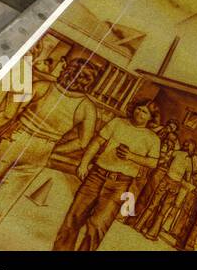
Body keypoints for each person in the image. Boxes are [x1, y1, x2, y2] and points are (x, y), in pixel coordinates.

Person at [0, 59, 101, 250]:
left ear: (66, 70)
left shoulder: (42, 87)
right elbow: (83, 142)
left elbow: (8, 114)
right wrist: (52, 149)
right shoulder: (87, 108)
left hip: (13, 139)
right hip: (40, 152)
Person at [54, 99, 160, 251]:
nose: (139, 113)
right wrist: (84, 163)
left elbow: (153, 163)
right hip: (96, 175)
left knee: (97, 226)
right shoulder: (117, 122)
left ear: (151, 118)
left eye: (145, 112)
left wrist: (131, 156)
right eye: (138, 108)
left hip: (120, 184)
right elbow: (97, 142)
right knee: (74, 217)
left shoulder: (153, 139)